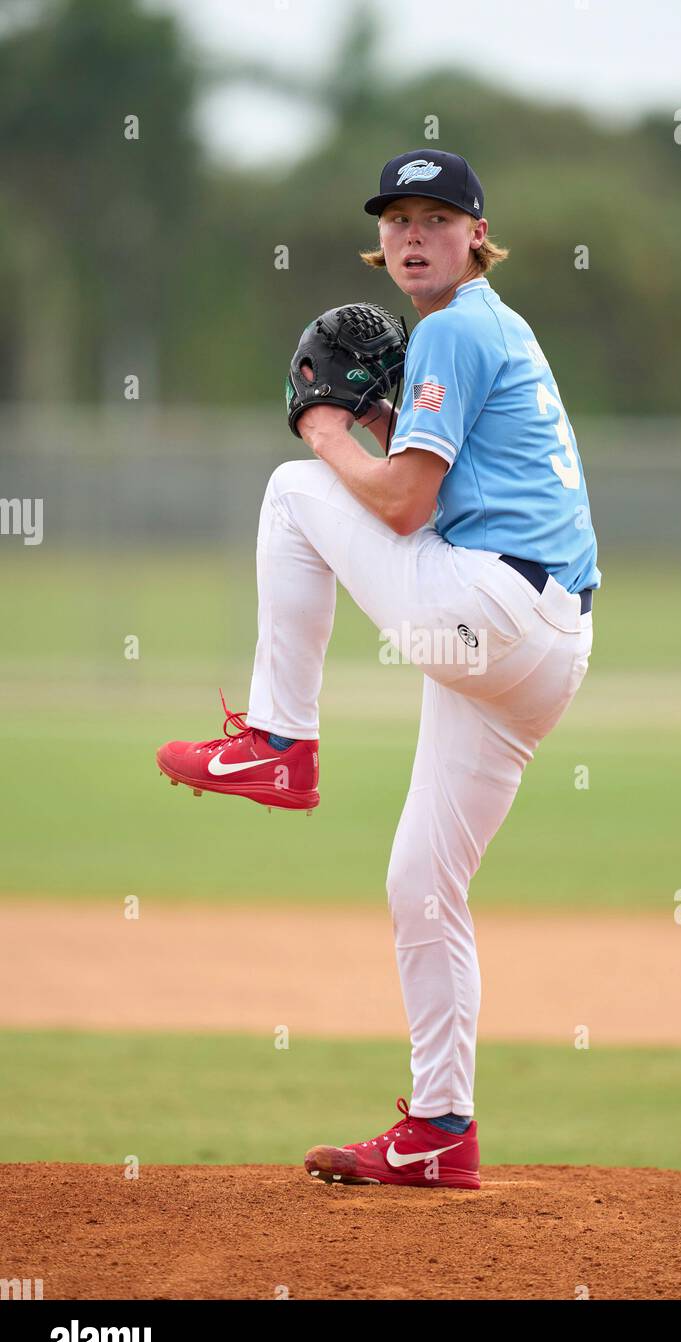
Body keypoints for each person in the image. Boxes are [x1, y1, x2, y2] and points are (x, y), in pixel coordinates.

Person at [156, 149, 600, 1190]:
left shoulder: (453, 327)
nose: (412, 235)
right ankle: (441, 1128)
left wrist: (327, 428)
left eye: (436, 218)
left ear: (476, 237)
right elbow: (436, 492)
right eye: (397, 219)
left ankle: (279, 741)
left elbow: (400, 507)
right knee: (421, 884)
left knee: (291, 490)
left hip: (490, 610)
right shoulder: (496, 329)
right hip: (543, 648)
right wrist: (384, 429)